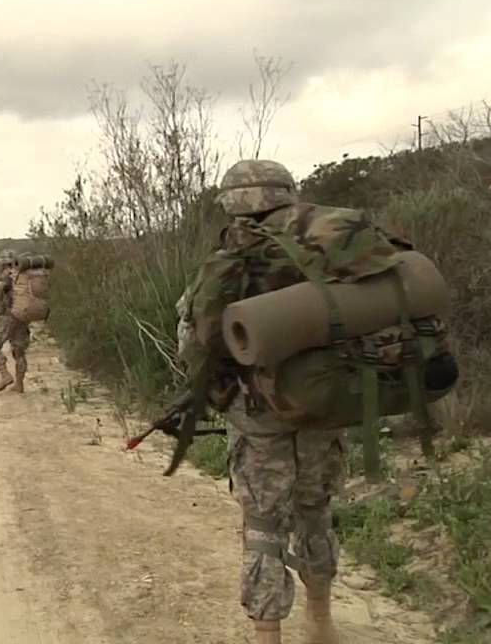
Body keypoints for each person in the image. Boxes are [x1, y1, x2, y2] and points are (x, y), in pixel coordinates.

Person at [176, 160, 346, 644]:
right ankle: (322, 623)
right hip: (323, 406)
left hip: (257, 415)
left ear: (231, 204)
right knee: (316, 510)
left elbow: (192, 341)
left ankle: (268, 634)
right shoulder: (328, 252)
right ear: (289, 195)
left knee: (264, 526)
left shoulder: (228, 260)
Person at [0, 249, 29, 393]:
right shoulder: (24, 275)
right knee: (19, 352)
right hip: (22, 317)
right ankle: (20, 384)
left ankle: (5, 375)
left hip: (7, 317)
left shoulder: (6, 275)